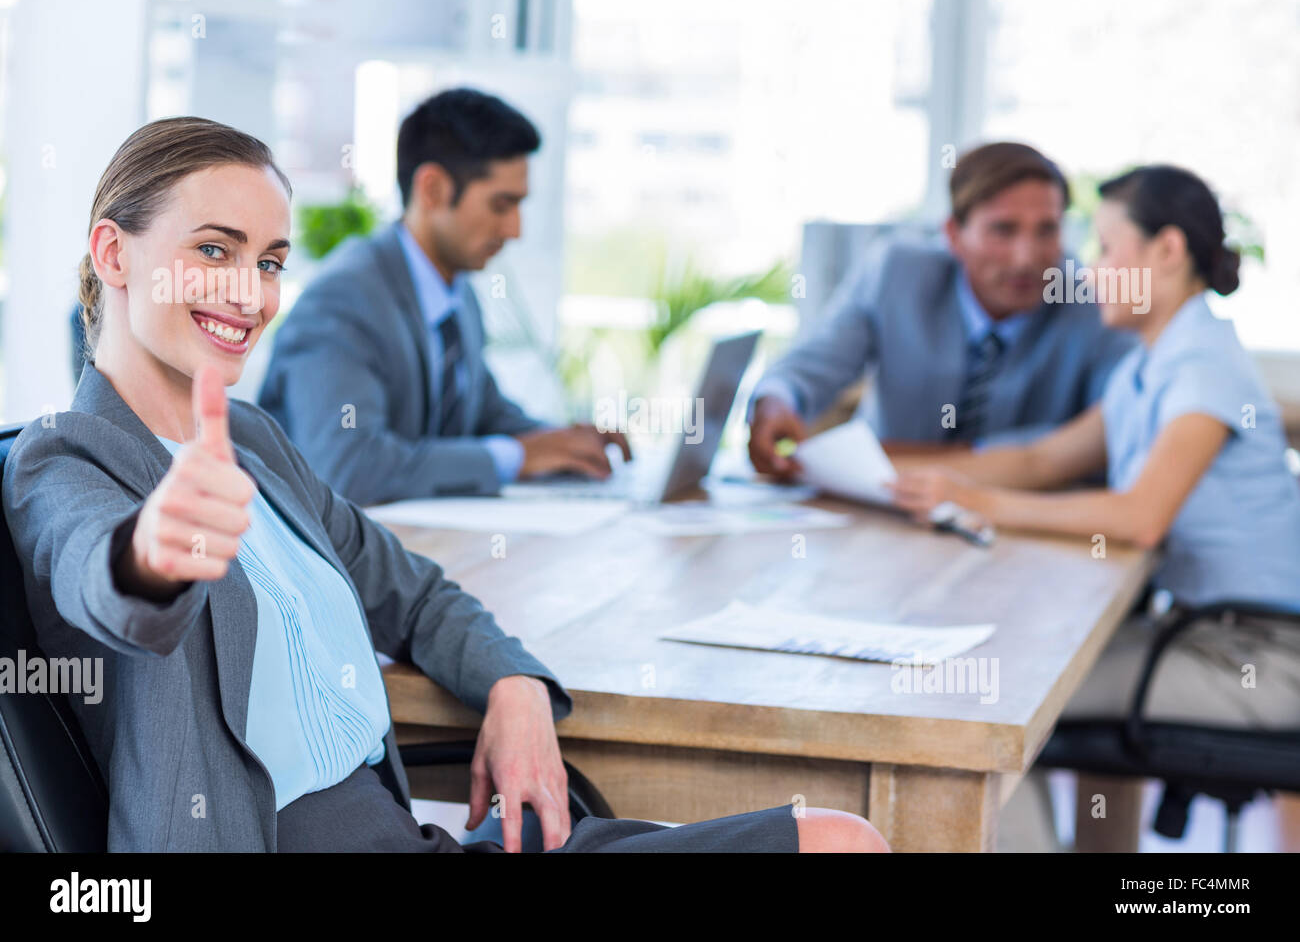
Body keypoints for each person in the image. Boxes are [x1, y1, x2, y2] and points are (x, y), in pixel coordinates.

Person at [2, 116, 887, 853]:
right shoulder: (64, 457)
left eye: (269, 261)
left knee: (841, 840)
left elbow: (413, 592)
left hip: (412, 840)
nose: (250, 292)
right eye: (214, 249)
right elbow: (103, 581)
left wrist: (514, 685)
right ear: (113, 255)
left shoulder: (256, 444)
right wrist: (155, 554)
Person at [890, 164, 1300, 851]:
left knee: (988, 695)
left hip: (1258, 658)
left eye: (1107, 249)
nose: (1088, 270)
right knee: (1006, 669)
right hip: (1208, 635)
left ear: (1166, 251)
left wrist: (979, 502)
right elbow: (1044, 461)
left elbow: (1141, 516)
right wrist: (891, 472)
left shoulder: (1201, 364)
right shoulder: (1155, 360)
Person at [258, 88, 629, 506]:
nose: (515, 230)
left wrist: (564, 442)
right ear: (432, 189)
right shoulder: (344, 301)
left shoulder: (455, 295)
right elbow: (349, 465)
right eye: (502, 205)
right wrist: (521, 455)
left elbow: (484, 415)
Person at [748, 142, 1136, 479]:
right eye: (1003, 230)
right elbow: (813, 364)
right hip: (881, 502)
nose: (1026, 258)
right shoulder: (897, 274)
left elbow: (1116, 426)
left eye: (1046, 230)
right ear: (953, 234)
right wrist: (776, 401)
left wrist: (951, 459)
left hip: (1019, 521)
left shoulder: (1092, 301)